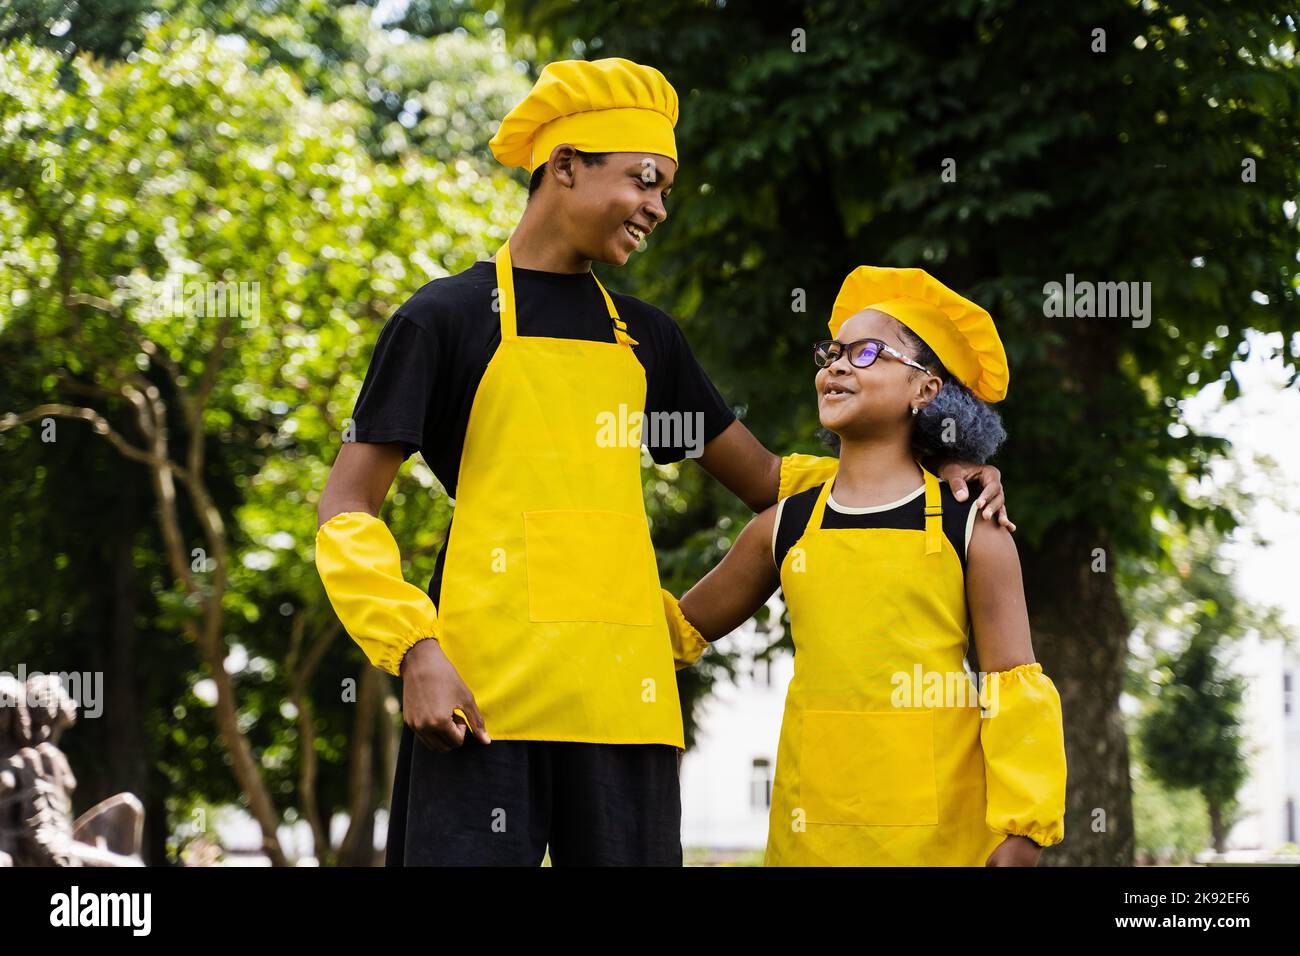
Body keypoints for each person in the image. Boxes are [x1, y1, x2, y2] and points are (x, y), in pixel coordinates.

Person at [313, 59, 1011, 866]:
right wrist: (414, 650)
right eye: (644, 179)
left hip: (628, 706)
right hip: (479, 700)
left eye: (667, 190)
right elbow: (347, 508)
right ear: (566, 166)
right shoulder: (444, 319)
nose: (658, 207)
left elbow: (768, 485)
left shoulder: (648, 338)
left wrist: (936, 470)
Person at [666, 266, 1067, 866]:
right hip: (811, 841)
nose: (836, 365)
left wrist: (1024, 830)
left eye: (867, 352)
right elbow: (673, 632)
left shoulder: (971, 527)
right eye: (831, 352)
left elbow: (1013, 683)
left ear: (925, 390)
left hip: (943, 844)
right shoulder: (788, 524)